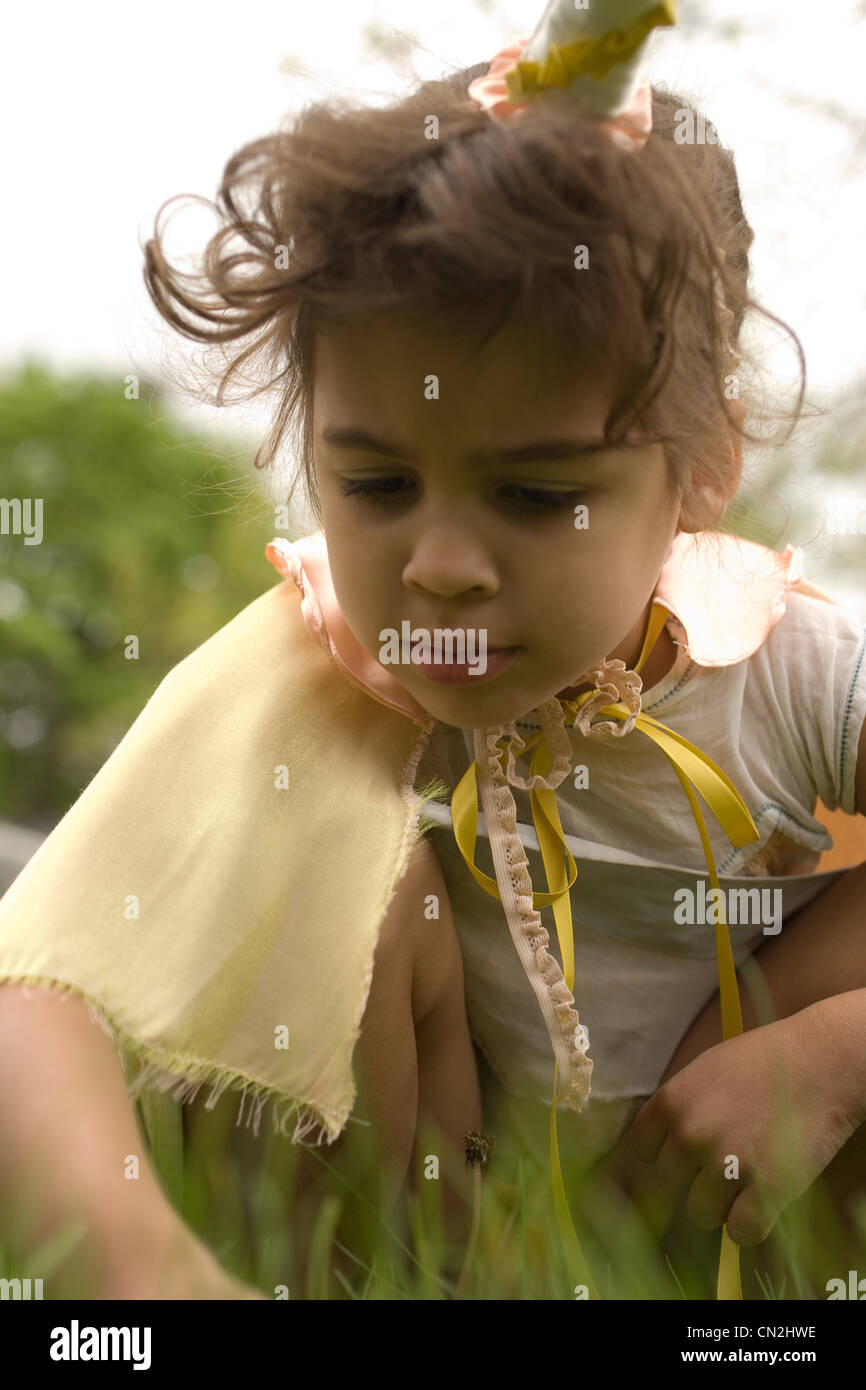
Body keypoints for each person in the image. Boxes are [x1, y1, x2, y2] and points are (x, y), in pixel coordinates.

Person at [1, 0, 865, 1301]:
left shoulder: (789, 668)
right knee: (337, 835)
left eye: (531, 496)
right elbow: (35, 996)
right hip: (441, 1223)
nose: (438, 563)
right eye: (378, 484)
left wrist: (833, 1053)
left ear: (699, 470)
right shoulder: (327, 666)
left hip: (734, 1239)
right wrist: (151, 1281)